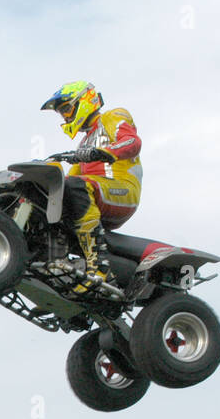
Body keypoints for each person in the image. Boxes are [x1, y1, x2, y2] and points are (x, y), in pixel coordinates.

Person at [40, 81, 143, 293]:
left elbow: (132, 142)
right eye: (62, 113)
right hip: (95, 194)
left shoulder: (113, 116)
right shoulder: (83, 145)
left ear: (85, 101)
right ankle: (57, 269)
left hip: (122, 189)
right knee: (56, 199)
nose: (66, 117)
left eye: (67, 109)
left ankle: (100, 267)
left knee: (76, 186)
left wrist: (105, 152)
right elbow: (66, 185)